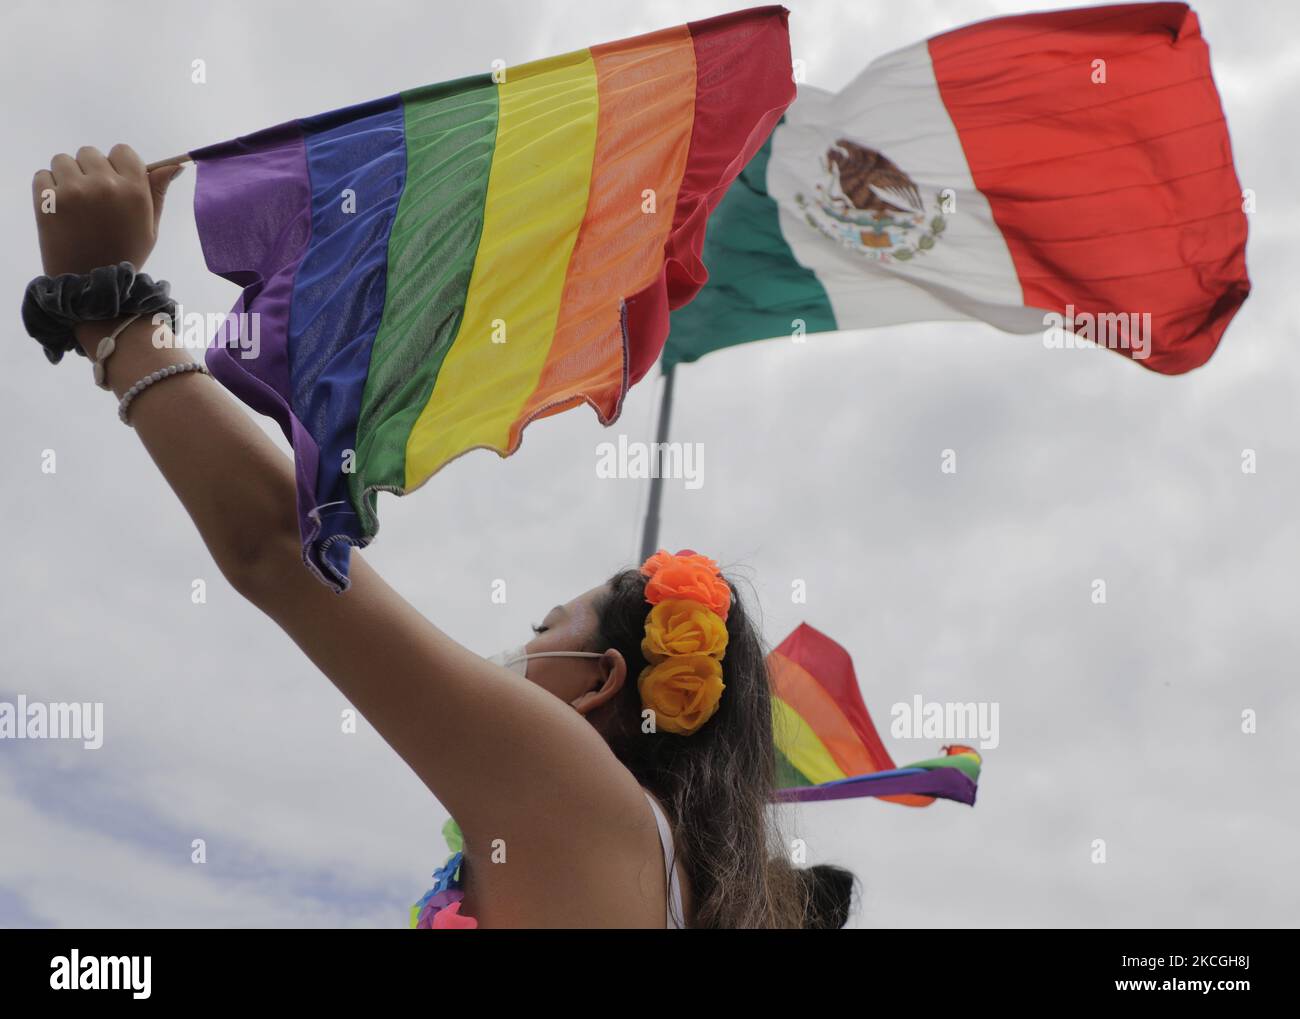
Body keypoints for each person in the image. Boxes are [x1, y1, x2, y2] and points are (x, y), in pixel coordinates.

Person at [26, 143, 856, 928]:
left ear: (602, 681)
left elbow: (281, 551)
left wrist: (114, 313)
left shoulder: (580, 788)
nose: (515, 650)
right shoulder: (658, 867)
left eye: (544, 627)